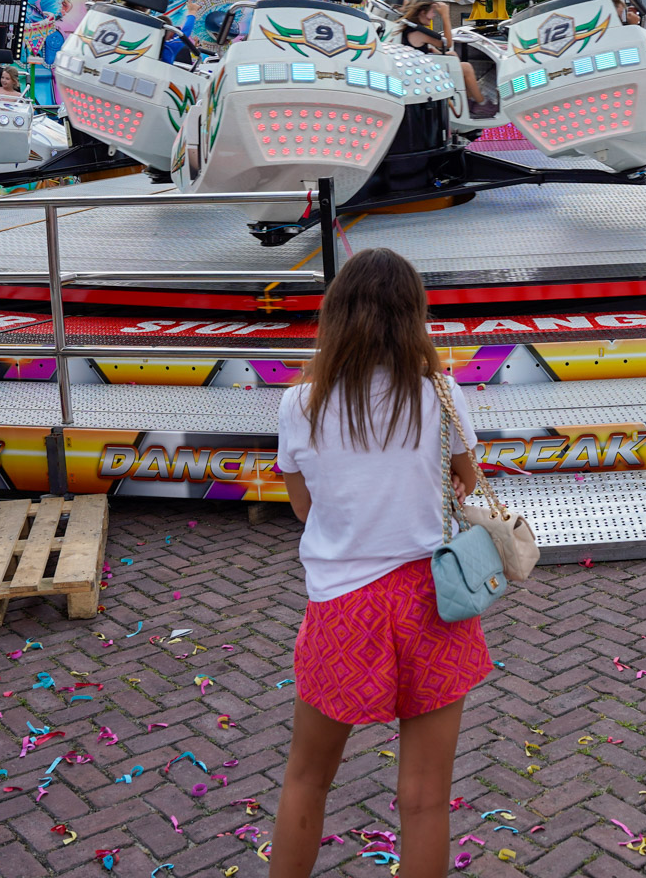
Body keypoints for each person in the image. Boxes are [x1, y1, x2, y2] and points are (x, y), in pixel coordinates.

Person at [270, 249, 490, 878]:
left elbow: (305, 509)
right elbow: (465, 483)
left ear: (335, 315)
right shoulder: (440, 394)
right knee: (424, 799)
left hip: (344, 606)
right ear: (412, 317)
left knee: (307, 780)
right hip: (432, 602)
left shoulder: (301, 405)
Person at [399, 0, 489, 113]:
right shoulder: (418, 32)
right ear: (422, 12)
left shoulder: (410, 28)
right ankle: (481, 103)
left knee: (452, 54)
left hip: (419, 68)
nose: (434, 16)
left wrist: (434, 52)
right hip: (422, 74)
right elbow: (447, 43)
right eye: (432, 12)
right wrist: (445, 16)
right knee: (466, 68)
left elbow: (424, 49)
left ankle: (469, 97)